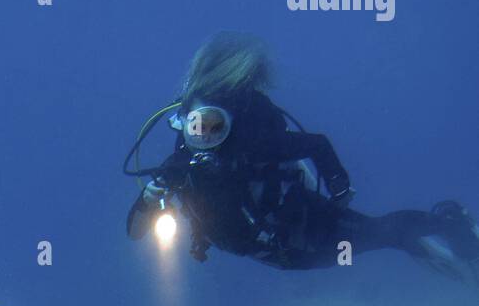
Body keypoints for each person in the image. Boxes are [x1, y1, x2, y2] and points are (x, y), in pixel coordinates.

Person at [125, 32, 479, 284]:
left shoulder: (257, 144)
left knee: (385, 232)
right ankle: (428, 242)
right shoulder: (181, 164)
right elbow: (136, 230)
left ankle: (455, 226)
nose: (204, 137)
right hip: (275, 255)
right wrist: (148, 199)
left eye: (214, 125)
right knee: (384, 236)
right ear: (182, 122)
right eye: (196, 126)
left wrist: (340, 191)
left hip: (306, 233)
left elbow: (317, 144)